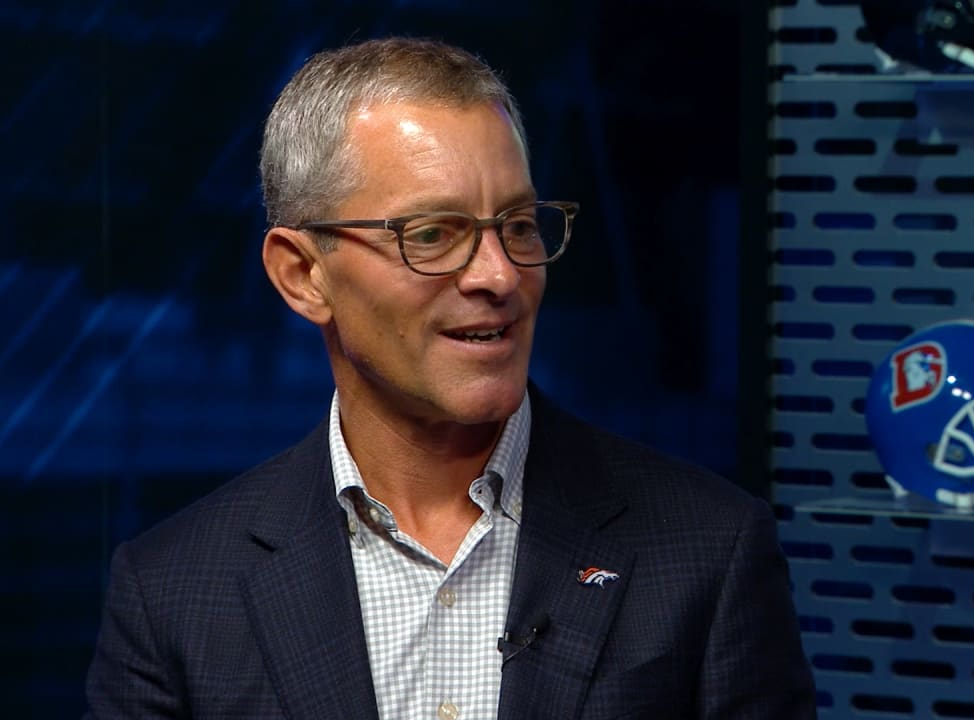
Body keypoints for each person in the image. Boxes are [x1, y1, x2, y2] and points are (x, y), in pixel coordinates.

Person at [85, 36, 816, 719]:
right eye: (432, 234)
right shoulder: (172, 593)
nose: (500, 276)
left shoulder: (709, 551)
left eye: (520, 225)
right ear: (303, 275)